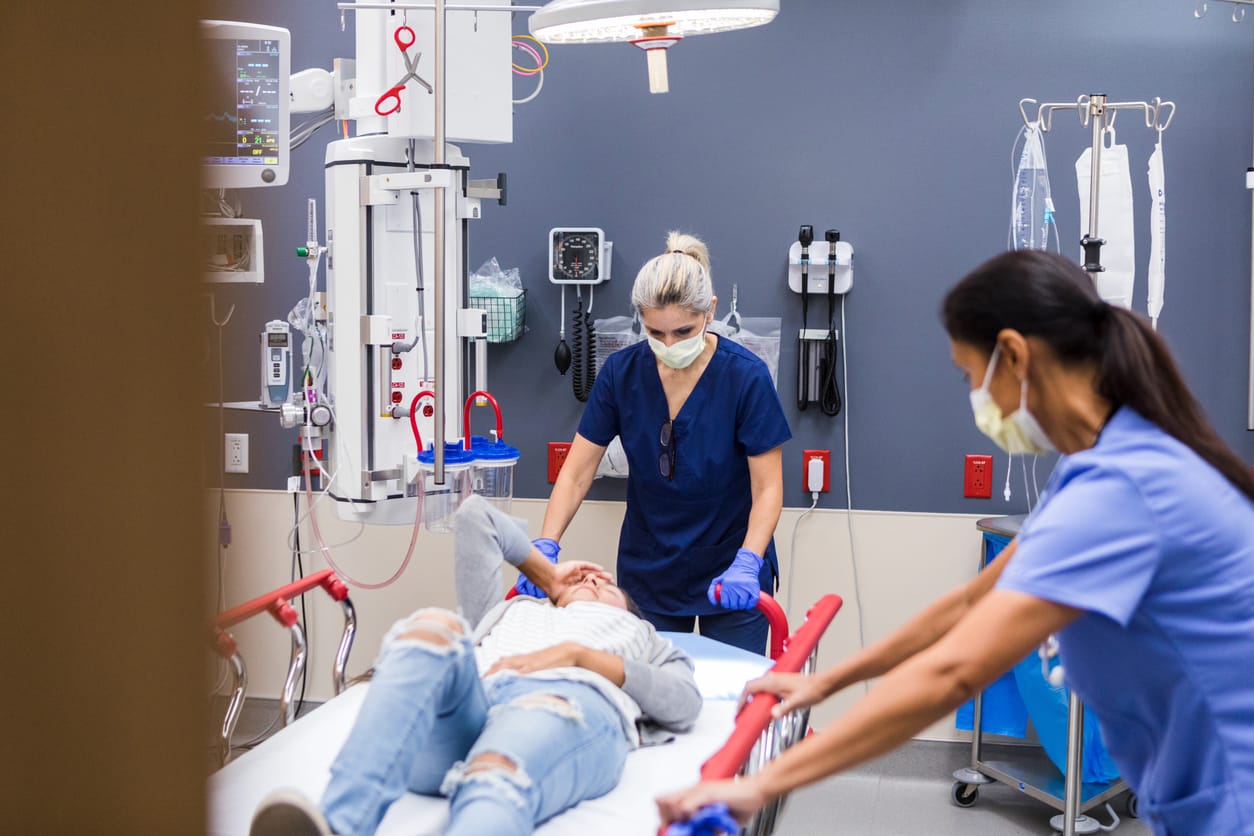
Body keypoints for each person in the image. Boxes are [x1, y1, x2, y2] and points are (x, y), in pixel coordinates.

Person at [657, 250, 1254, 835]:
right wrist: (824, 682)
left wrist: (761, 783)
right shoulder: (1100, 462)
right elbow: (972, 603)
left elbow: (954, 673)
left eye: (972, 377)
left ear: (1015, 356)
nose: (979, 401)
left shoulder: (1121, 486)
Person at [250, 495, 701, 836]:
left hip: (562, 702)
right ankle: (340, 823)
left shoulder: (645, 639)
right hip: (471, 704)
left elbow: (684, 703)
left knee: (496, 772)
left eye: (605, 585)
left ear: (628, 611)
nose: (593, 579)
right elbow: (473, 516)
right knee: (432, 625)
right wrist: (547, 573)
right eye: (584, 576)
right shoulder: (506, 611)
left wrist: (581, 657)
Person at [529, 231, 791, 655]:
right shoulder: (621, 374)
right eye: (655, 332)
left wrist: (749, 560)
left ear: (711, 311)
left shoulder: (745, 377)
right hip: (651, 569)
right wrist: (546, 545)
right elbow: (577, 473)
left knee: (734, 696)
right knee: (651, 688)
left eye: (683, 331)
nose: (668, 345)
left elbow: (768, 488)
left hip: (733, 567)